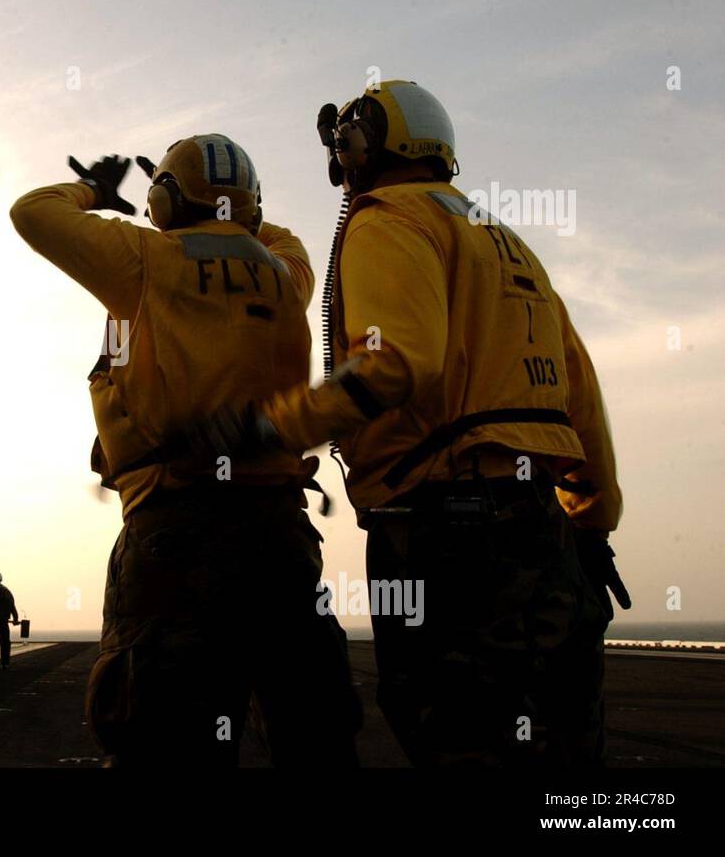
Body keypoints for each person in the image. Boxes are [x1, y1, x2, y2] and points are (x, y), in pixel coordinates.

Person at [191, 82, 627, 766]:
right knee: (564, 751)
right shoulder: (502, 240)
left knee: (455, 735)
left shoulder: (388, 220)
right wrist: (593, 523)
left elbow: (394, 364)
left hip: (443, 531)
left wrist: (270, 428)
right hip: (545, 533)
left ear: (364, 143)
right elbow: (580, 392)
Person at [10, 137, 360, 767]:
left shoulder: (146, 258)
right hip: (278, 533)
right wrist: (234, 208)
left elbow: (32, 211)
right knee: (311, 731)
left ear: (166, 201)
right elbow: (273, 233)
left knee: (162, 738)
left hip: (176, 529)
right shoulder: (287, 273)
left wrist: (97, 190)